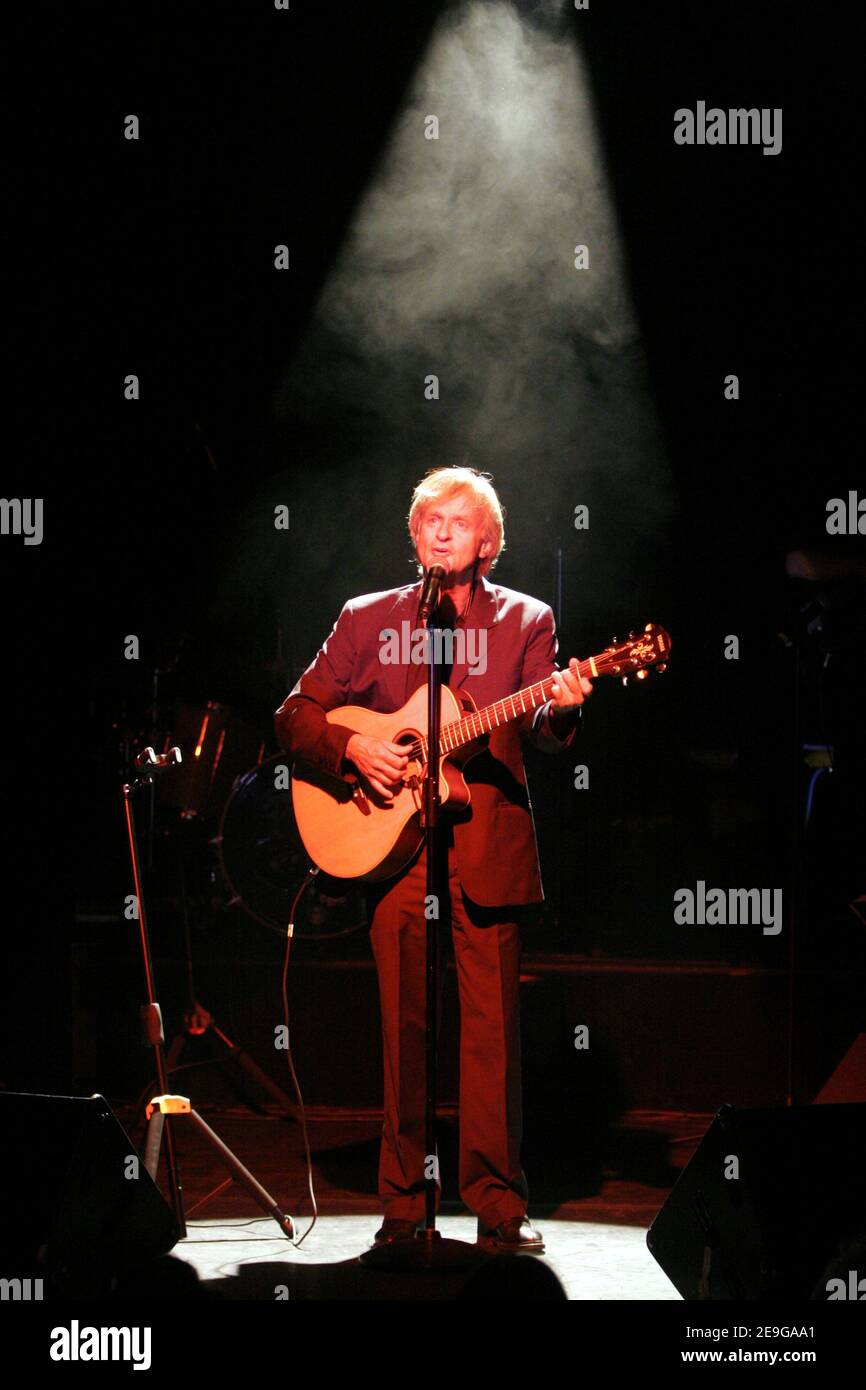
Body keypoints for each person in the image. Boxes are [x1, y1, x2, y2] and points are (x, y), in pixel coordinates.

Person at [274, 466, 592, 1253]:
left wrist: (561, 707)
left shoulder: (528, 620)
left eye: (459, 521)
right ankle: (404, 1207)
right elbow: (294, 715)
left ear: (488, 542)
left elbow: (544, 731)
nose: (442, 531)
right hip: (392, 846)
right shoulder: (367, 617)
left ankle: (497, 1206)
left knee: (492, 1038)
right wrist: (357, 748)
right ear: (415, 539)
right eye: (428, 521)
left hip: (487, 845)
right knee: (403, 1031)